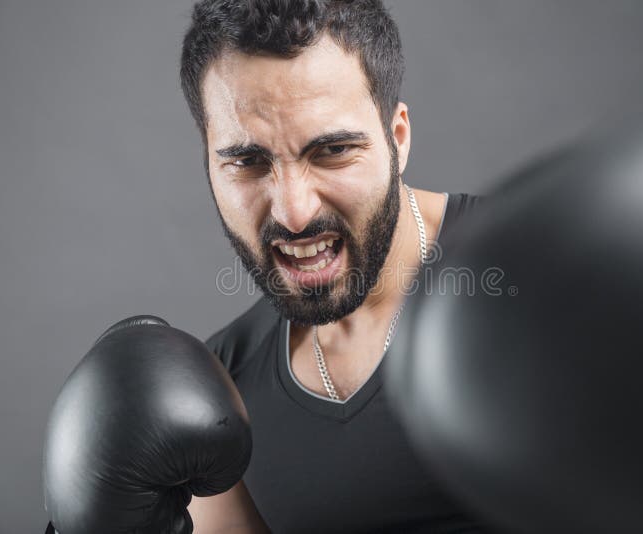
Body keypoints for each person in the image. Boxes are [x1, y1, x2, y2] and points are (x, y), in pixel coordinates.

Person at [179, 0, 487, 532]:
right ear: (209, 164)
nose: (294, 211)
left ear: (399, 138)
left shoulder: (545, 272)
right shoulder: (220, 392)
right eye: (248, 162)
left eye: (333, 150)